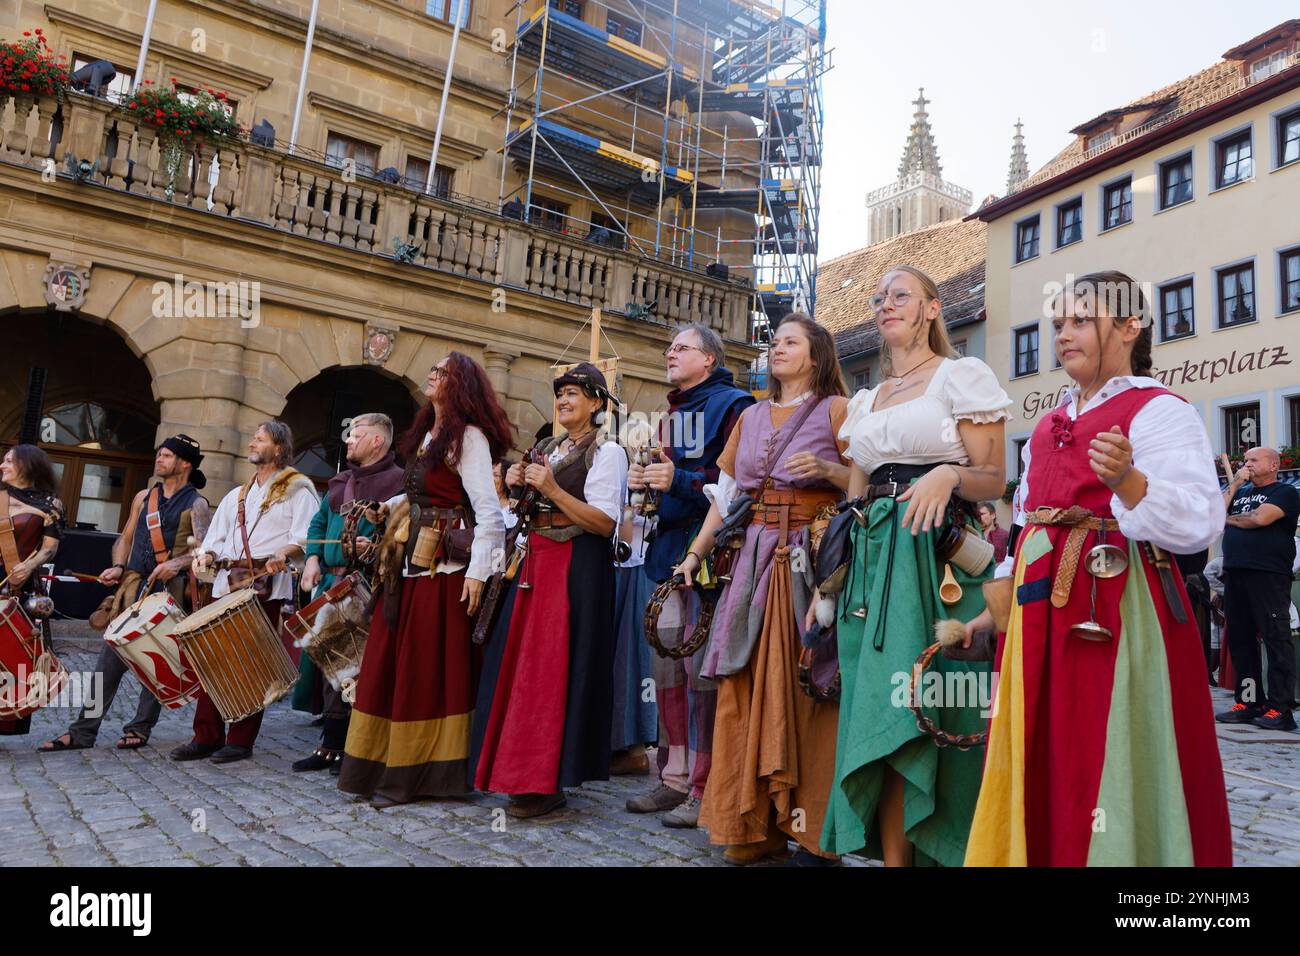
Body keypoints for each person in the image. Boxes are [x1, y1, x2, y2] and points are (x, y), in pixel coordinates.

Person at [963, 271, 1232, 866]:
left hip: (1116, 609)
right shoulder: (1048, 424)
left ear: (1130, 326)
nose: (1062, 335)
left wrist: (1130, 484)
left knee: (1104, 749)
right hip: (1038, 616)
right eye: (1058, 324)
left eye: (1080, 320)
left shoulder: (1159, 411)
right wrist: (995, 605)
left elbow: (1199, 523)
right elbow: (1028, 521)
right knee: (1045, 750)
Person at [822, 265, 1010, 868]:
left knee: (937, 705)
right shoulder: (866, 400)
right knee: (882, 708)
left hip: (938, 557)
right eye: (878, 298)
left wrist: (948, 473)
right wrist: (830, 583)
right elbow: (853, 500)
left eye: (900, 295)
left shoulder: (961, 376)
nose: (885, 305)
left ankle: (952, 851)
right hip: (875, 565)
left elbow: (995, 478)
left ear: (932, 308)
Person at [678, 314, 850, 865]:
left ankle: (812, 831)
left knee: (808, 682)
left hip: (811, 560)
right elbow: (726, 498)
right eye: (773, 341)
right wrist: (694, 555)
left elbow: (868, 481)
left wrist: (829, 468)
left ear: (817, 355)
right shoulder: (749, 417)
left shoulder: (838, 410)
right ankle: (749, 825)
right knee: (743, 683)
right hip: (752, 559)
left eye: (790, 341)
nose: (776, 348)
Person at [336, 357, 509, 807]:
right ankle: (380, 767)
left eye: (444, 372)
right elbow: (419, 495)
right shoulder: (428, 434)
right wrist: (388, 505)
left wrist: (476, 574)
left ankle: (420, 777)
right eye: (432, 369)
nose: (433, 375)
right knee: (391, 667)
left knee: (425, 673)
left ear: (462, 385)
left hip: (444, 574)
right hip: (408, 568)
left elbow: (488, 513)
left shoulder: (468, 438)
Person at [470, 362, 627, 819]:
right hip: (534, 565)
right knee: (521, 670)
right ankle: (515, 774)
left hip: (574, 568)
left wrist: (553, 489)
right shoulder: (547, 447)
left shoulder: (608, 451)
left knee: (556, 673)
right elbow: (528, 507)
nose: (563, 401)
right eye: (560, 394)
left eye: (574, 394)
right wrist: (517, 485)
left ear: (597, 402)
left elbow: (603, 522)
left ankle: (545, 781)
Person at [624, 323, 754, 827]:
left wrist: (675, 479)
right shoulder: (673, 413)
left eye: (681, 348)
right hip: (667, 550)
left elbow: (735, 487)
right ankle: (672, 776)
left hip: (710, 556)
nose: (669, 354)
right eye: (668, 347)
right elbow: (674, 478)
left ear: (709, 358)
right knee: (668, 669)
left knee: (702, 670)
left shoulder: (734, 405)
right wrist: (650, 484)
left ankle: (705, 783)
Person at [41, 436, 210, 752]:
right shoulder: (143, 497)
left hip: (170, 595)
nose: (159, 458)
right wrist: (118, 565)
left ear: (185, 464)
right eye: (159, 453)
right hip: (131, 591)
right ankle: (82, 731)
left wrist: (178, 562)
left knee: (157, 663)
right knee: (108, 663)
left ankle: (140, 727)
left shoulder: (196, 504)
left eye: (167, 455)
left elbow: (204, 553)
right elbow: (125, 538)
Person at [171, 422, 318, 764]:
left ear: (279, 448)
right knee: (212, 661)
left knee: (249, 665)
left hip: (263, 586)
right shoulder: (238, 494)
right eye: (253, 437)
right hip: (226, 584)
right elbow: (215, 538)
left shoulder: (298, 490)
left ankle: (240, 740)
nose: (252, 441)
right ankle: (206, 736)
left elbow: (307, 535)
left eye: (260, 438)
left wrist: (285, 553)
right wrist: (207, 553)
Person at [291, 414, 405, 773]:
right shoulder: (341, 481)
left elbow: (404, 531)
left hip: (371, 587)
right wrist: (311, 559)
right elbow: (319, 523)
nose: (349, 441)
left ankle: (356, 749)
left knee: (361, 670)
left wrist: (375, 546)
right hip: (333, 584)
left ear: (377, 442)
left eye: (356, 436)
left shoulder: (399, 483)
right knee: (333, 668)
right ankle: (330, 744)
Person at [1216, 446, 1300, 731]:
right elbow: (1212, 511)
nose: (1247, 463)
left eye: (1254, 459)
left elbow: (1259, 519)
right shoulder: (1239, 493)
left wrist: (1223, 520)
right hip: (1236, 572)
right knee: (1241, 640)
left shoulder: (1284, 492)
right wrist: (1236, 482)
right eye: (1245, 460)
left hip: (1267, 574)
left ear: (1273, 464)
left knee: (1276, 638)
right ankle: (1249, 701)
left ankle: (1281, 708)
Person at [0, 445, 64, 737]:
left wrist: (29, 565)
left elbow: (50, 548)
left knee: (11, 658)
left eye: (9, 461)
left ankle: (5, 719)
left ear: (27, 465)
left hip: (19, 587)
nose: (3, 465)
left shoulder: (49, 504)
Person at [608, 506, 657, 776]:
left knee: (633, 657)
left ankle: (634, 747)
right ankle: (617, 745)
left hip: (638, 561)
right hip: (618, 559)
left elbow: (632, 514)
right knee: (619, 654)